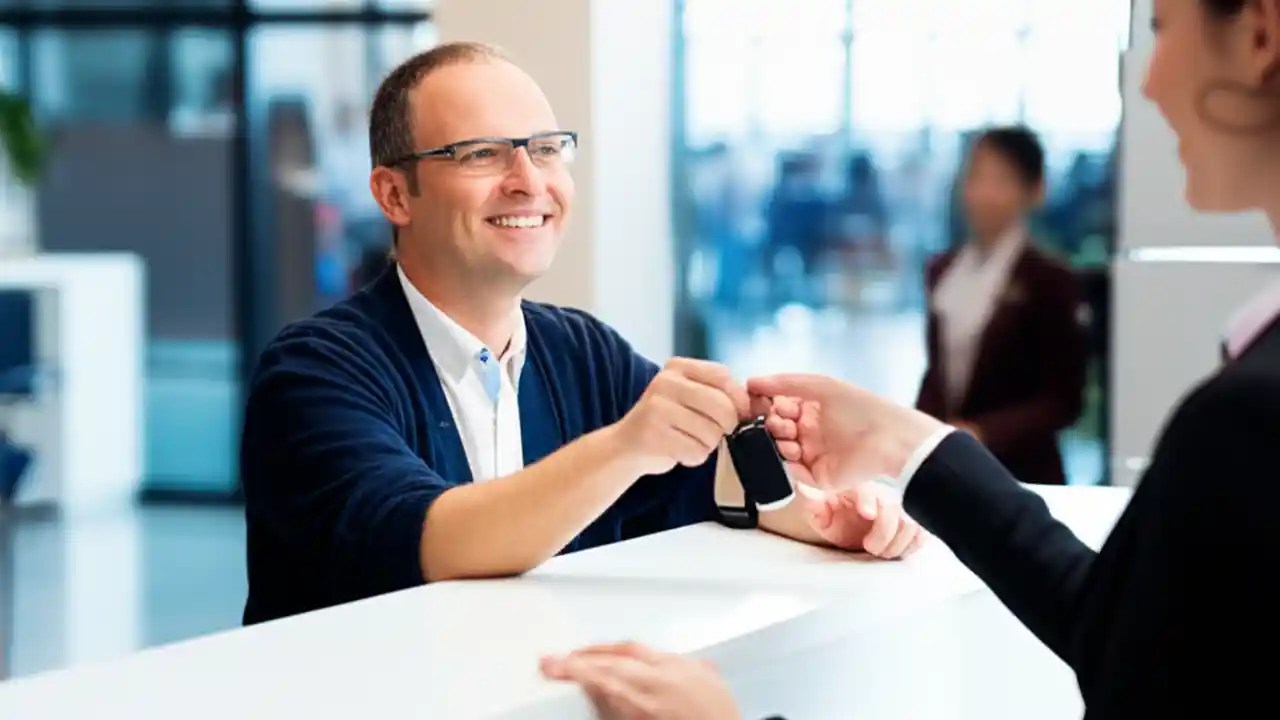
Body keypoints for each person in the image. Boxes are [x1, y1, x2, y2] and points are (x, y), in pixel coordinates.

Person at [543, 1, 1280, 717]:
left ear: (1257, 33)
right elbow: (1126, 638)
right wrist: (908, 441)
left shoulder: (1245, 415)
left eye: (1161, 28)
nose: (1145, 82)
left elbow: (1143, 675)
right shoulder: (948, 272)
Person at [239, 42, 923, 625]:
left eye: (546, 149)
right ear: (394, 196)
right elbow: (430, 539)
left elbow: (704, 479)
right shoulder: (313, 373)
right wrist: (629, 444)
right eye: (482, 154)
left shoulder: (581, 352)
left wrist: (825, 514)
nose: (529, 181)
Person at [917, 126, 1087, 485]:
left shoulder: (1049, 279)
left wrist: (982, 432)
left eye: (1001, 180)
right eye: (976, 177)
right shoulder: (943, 270)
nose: (983, 193)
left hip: (1021, 473)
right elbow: (938, 373)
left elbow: (1064, 400)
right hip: (949, 466)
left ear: (1033, 190)